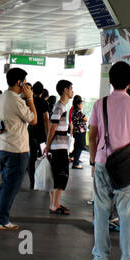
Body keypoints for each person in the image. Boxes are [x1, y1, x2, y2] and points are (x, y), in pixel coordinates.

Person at [87, 60, 130, 260]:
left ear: (111, 81)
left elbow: (92, 135)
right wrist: (128, 140)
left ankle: (100, 257)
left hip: (102, 163)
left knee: (101, 211)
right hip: (124, 165)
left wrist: (94, 159)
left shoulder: (99, 104)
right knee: (126, 214)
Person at [0, 67, 35, 231]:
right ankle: (1, 219)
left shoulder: (0, 98)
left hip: (3, 146)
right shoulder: (16, 100)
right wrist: (30, 99)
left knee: (5, 184)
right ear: (19, 82)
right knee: (11, 186)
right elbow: (34, 120)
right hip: (17, 149)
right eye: (25, 82)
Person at [45, 80, 74, 216]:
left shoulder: (61, 107)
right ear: (65, 90)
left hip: (59, 146)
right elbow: (52, 128)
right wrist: (48, 145)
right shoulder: (59, 107)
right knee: (62, 175)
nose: (72, 91)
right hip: (58, 147)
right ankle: (54, 204)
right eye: (70, 88)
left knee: (56, 175)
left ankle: (54, 204)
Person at [69, 95, 87, 168]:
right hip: (80, 131)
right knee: (80, 146)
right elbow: (85, 119)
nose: (82, 105)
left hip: (77, 131)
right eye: (81, 104)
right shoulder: (78, 112)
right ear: (78, 104)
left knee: (77, 146)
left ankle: (75, 159)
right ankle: (75, 163)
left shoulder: (73, 110)